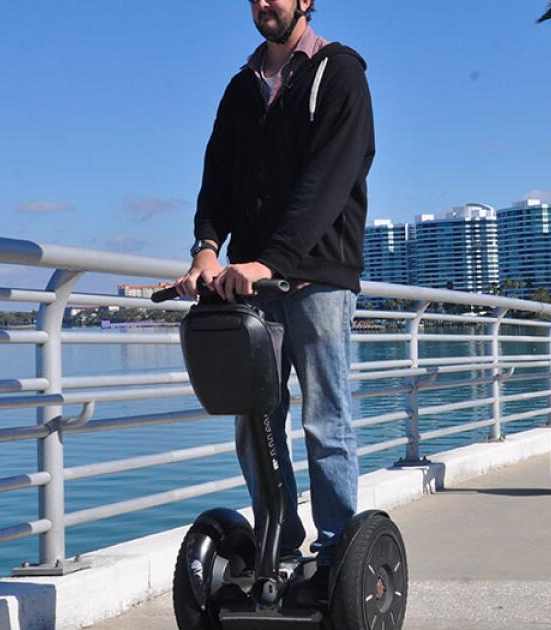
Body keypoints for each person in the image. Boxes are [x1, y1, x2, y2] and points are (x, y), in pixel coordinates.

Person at [175, 0, 374, 576]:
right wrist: (207, 248)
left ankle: (338, 554)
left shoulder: (339, 73)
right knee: (253, 420)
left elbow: (329, 180)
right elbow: (219, 176)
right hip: (252, 284)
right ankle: (278, 545)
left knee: (324, 419)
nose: (266, 3)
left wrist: (272, 261)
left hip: (318, 278)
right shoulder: (241, 88)